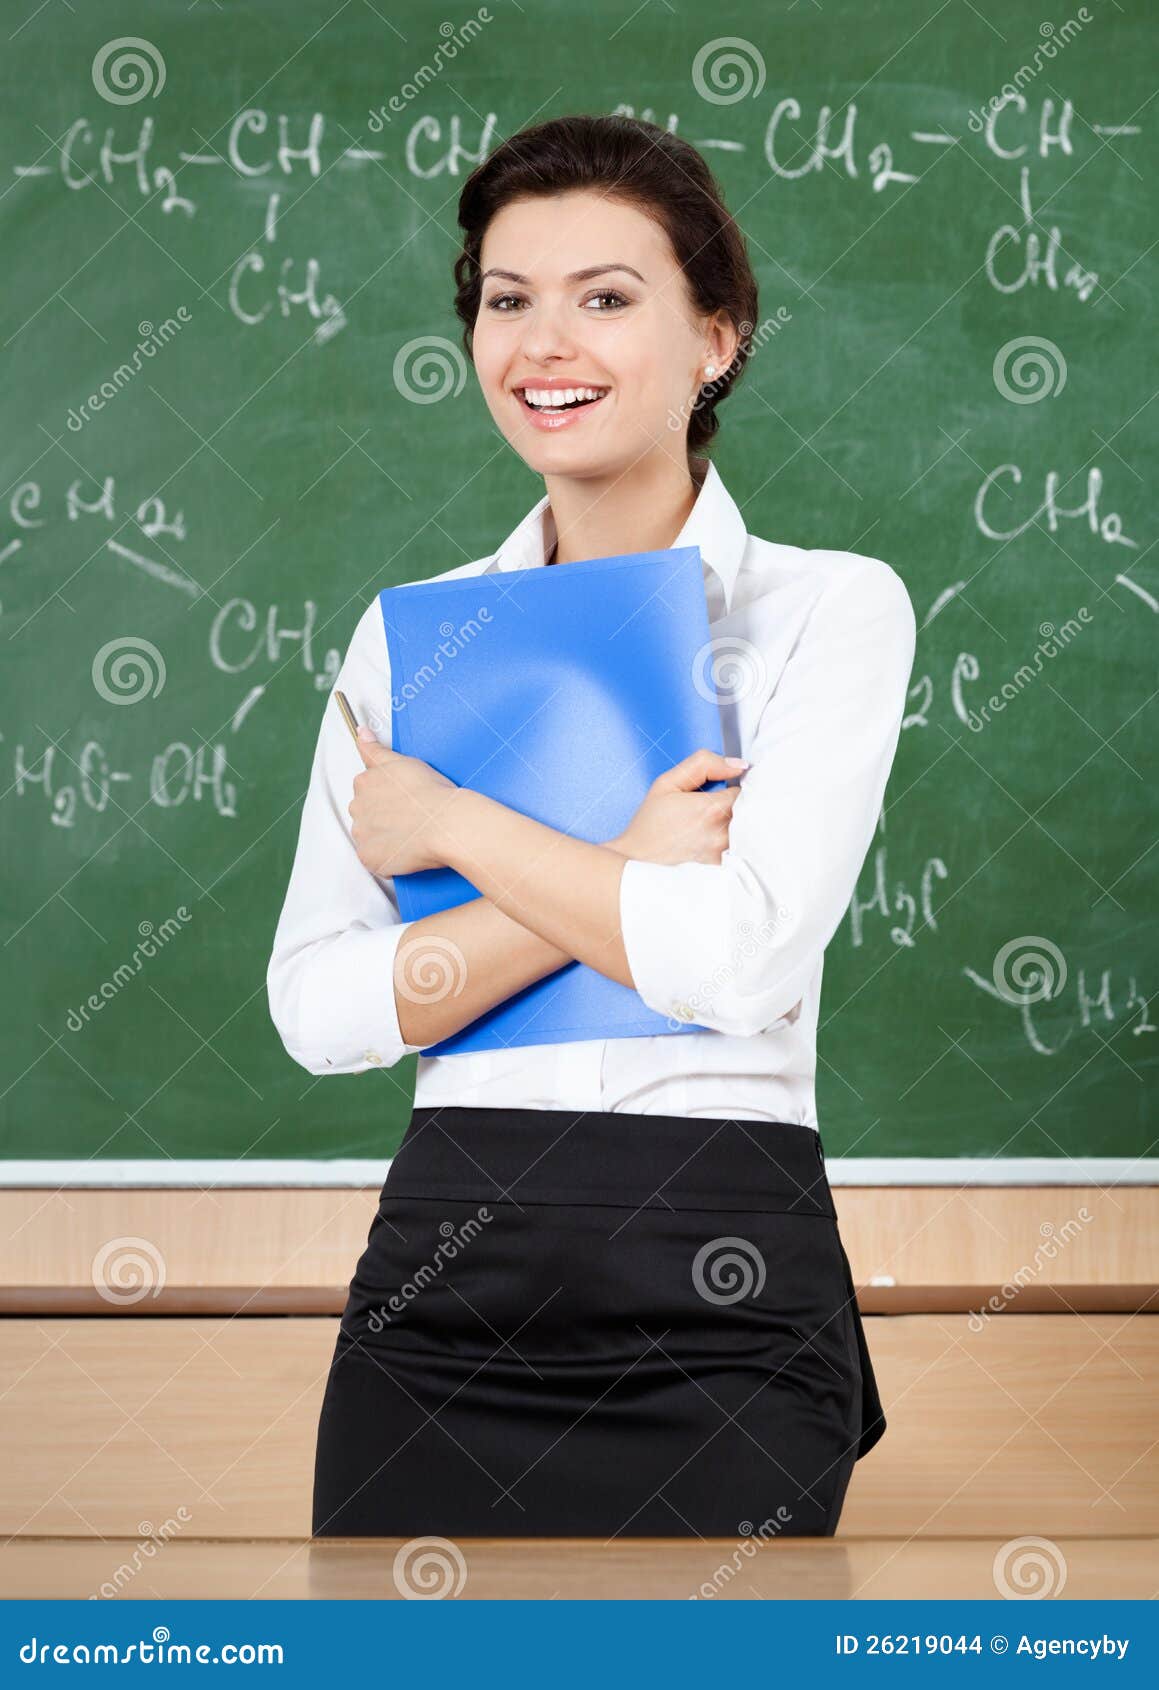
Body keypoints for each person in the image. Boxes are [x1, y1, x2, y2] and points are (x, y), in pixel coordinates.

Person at [267, 113, 916, 1539]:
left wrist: (452, 822)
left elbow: (733, 966)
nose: (544, 344)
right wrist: (623, 863)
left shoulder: (828, 609)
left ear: (717, 339)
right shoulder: (408, 638)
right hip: (446, 1266)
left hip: (720, 1265)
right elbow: (321, 1009)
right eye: (510, 301)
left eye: (607, 299)